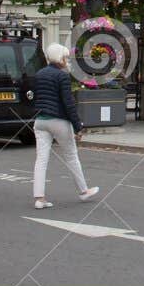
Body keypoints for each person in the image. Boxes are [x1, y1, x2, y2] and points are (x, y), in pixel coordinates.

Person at [30, 42, 99, 210]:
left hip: (40, 121)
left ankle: (39, 198)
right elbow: (68, 104)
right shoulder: (62, 76)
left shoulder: (39, 74)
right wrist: (78, 126)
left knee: (41, 160)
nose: (67, 60)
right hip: (59, 121)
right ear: (59, 58)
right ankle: (83, 191)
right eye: (65, 57)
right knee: (71, 157)